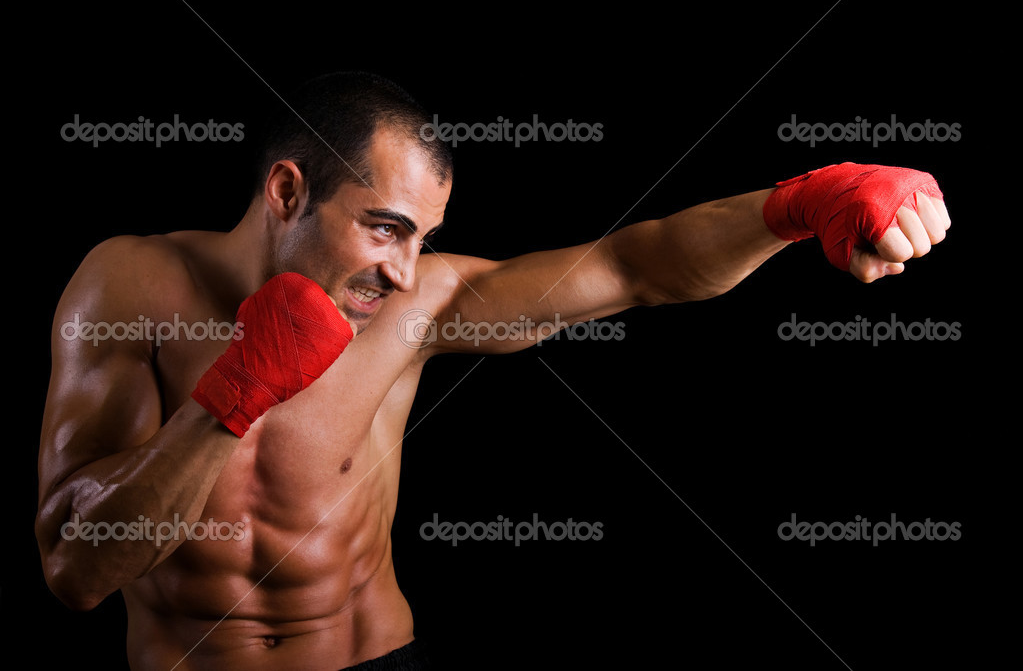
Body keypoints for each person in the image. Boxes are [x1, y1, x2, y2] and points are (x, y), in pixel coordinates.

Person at [36, 71, 950, 670]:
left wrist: (796, 205)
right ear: (286, 192)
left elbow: (634, 266)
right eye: (385, 227)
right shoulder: (131, 284)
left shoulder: (413, 305)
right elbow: (76, 572)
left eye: (421, 240)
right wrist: (228, 400)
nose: (400, 269)